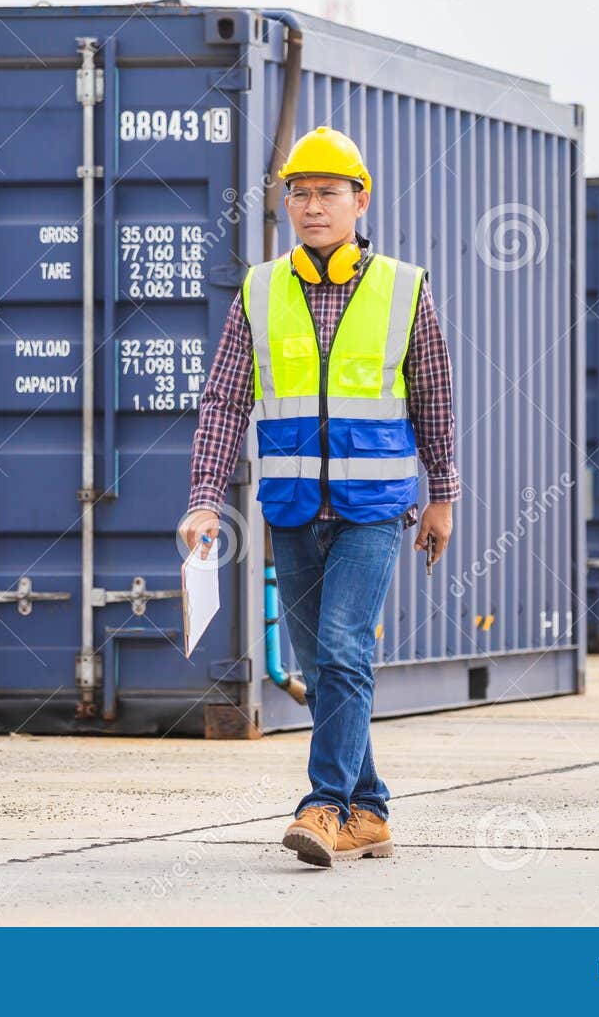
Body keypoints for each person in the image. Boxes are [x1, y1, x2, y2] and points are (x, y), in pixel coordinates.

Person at [179, 125, 459, 867]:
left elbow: (434, 397)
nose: (311, 206)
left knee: (341, 648)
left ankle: (324, 805)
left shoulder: (404, 287)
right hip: (294, 507)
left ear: (360, 201)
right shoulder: (260, 290)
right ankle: (371, 812)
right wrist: (204, 497)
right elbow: (224, 401)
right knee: (324, 666)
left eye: (327, 193)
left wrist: (443, 494)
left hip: (375, 508)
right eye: (299, 194)